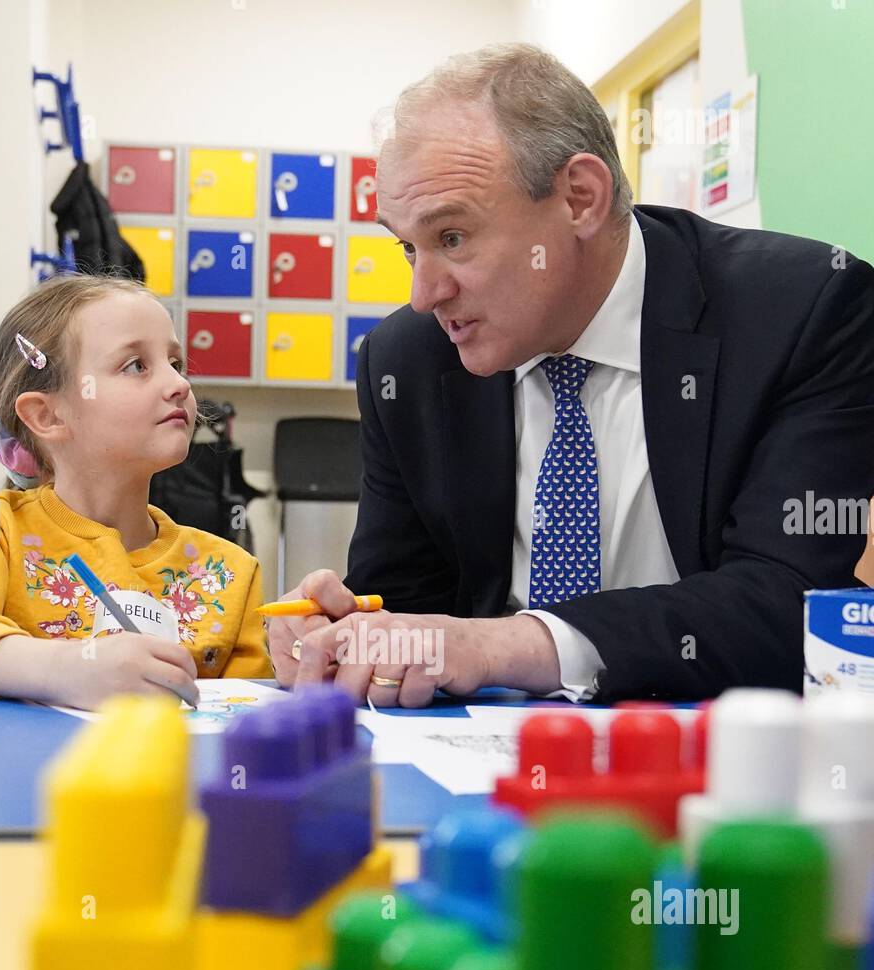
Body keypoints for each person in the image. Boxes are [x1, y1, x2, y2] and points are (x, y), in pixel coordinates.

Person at [268, 43, 874, 707]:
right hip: (477, 764)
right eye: (407, 247)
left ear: (580, 198)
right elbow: (411, 606)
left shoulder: (806, 311)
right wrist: (353, 635)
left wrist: (505, 643)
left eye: (452, 238)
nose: (423, 293)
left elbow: (796, 603)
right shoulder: (406, 362)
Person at [0, 273, 271, 709]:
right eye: (136, 365)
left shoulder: (229, 571)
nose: (180, 384)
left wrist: (310, 667)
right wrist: (65, 668)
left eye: (176, 363)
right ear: (47, 415)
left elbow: (248, 719)